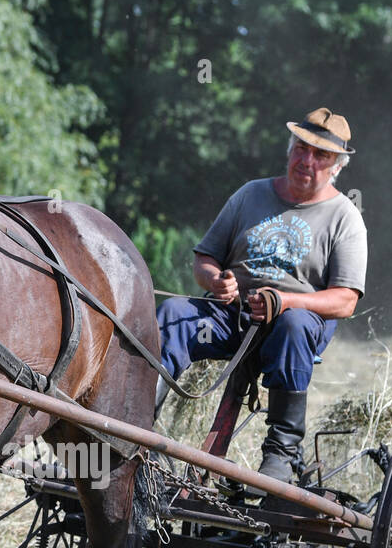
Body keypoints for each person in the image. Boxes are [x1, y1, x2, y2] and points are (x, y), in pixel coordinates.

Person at [156, 107, 368, 502]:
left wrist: (285, 300)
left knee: (295, 324)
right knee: (173, 316)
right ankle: (135, 426)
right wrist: (216, 280)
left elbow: (345, 301)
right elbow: (204, 260)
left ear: (336, 167)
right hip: (230, 317)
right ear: (289, 151)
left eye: (320, 156)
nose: (307, 161)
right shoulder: (250, 195)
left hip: (291, 331)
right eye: (301, 149)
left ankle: (281, 453)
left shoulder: (345, 218)